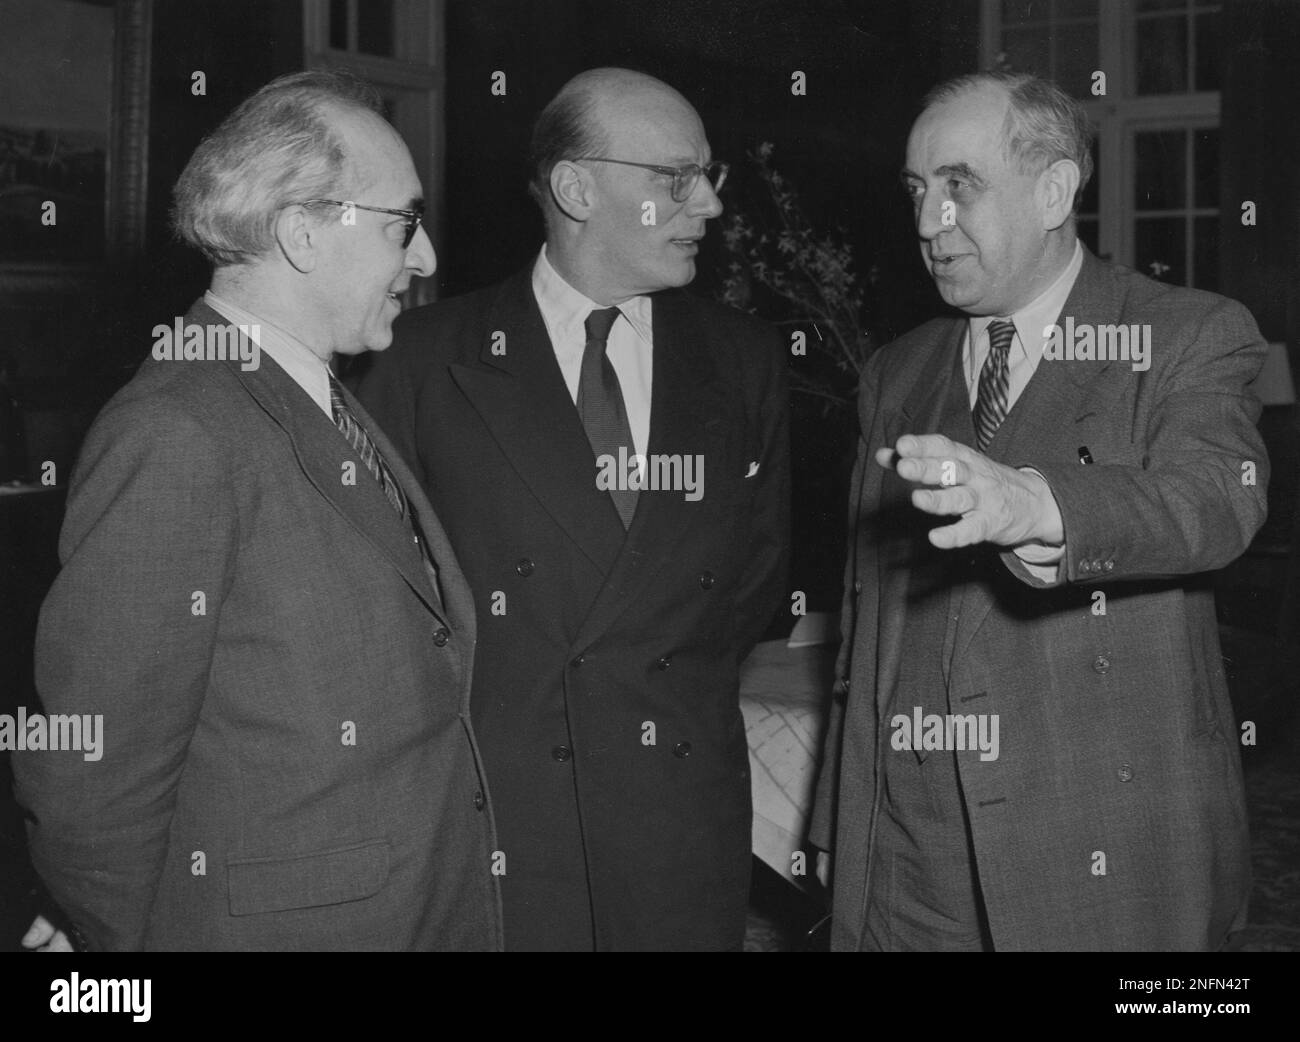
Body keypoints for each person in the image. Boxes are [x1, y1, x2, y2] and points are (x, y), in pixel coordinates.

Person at [12, 71, 501, 951]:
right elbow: (93, 778)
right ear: (302, 232)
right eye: (404, 223)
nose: (425, 258)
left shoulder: (320, 397)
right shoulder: (178, 429)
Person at [810, 71, 1269, 951]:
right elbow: (862, 628)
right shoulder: (895, 372)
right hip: (912, 858)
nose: (926, 223)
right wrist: (842, 825)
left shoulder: (1185, 334)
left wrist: (1036, 503)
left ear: (1055, 190)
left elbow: (1219, 501)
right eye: (917, 190)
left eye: (959, 186)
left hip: (1101, 851)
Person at [356, 67, 790, 951]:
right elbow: (383, 621)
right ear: (577, 187)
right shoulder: (419, 361)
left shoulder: (743, 363)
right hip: (500, 836)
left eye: (711, 176)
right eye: (676, 177)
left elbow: (753, 590)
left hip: (678, 837)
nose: (707, 204)